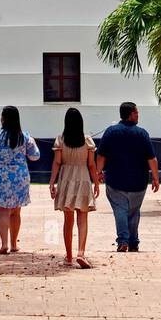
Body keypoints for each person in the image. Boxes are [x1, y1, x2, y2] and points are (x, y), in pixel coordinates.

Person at [96, 101, 159, 253]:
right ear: (130, 115)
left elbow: (101, 155)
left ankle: (124, 240)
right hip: (138, 182)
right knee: (133, 211)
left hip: (115, 180)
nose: (138, 115)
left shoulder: (111, 132)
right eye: (136, 113)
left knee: (120, 210)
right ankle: (133, 241)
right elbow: (152, 158)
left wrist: (98, 172)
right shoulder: (142, 133)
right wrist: (155, 178)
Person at [0, 105, 41, 254]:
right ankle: (14, 244)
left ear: (3, 118)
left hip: (0, 176)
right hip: (20, 176)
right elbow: (35, 156)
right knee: (15, 212)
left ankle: (4, 244)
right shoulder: (25, 137)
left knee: (2, 212)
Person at [49, 107, 100, 268]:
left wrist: (52, 182)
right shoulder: (87, 141)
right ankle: (81, 253)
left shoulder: (61, 140)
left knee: (68, 220)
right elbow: (91, 165)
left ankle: (69, 256)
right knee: (83, 218)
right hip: (83, 178)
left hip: (66, 179)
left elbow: (57, 162)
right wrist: (96, 181)